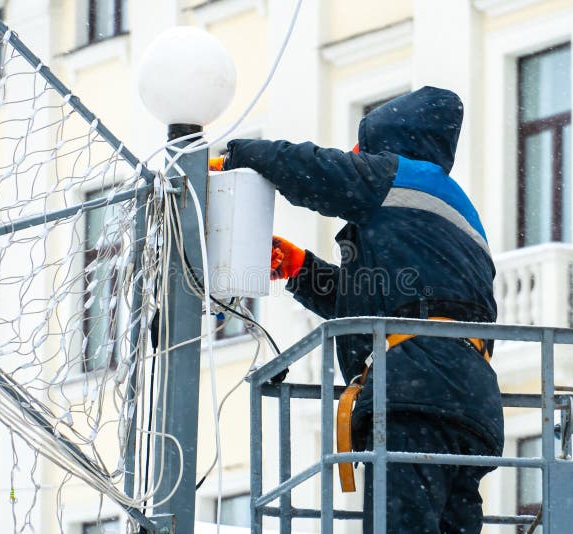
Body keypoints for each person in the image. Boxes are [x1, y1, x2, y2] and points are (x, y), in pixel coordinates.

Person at [212, 86, 503, 533]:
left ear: (388, 144)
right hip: (472, 402)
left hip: (417, 389)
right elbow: (388, 300)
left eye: (362, 149)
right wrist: (301, 270)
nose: (356, 157)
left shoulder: (402, 176)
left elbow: (310, 168)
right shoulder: (455, 215)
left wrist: (236, 158)